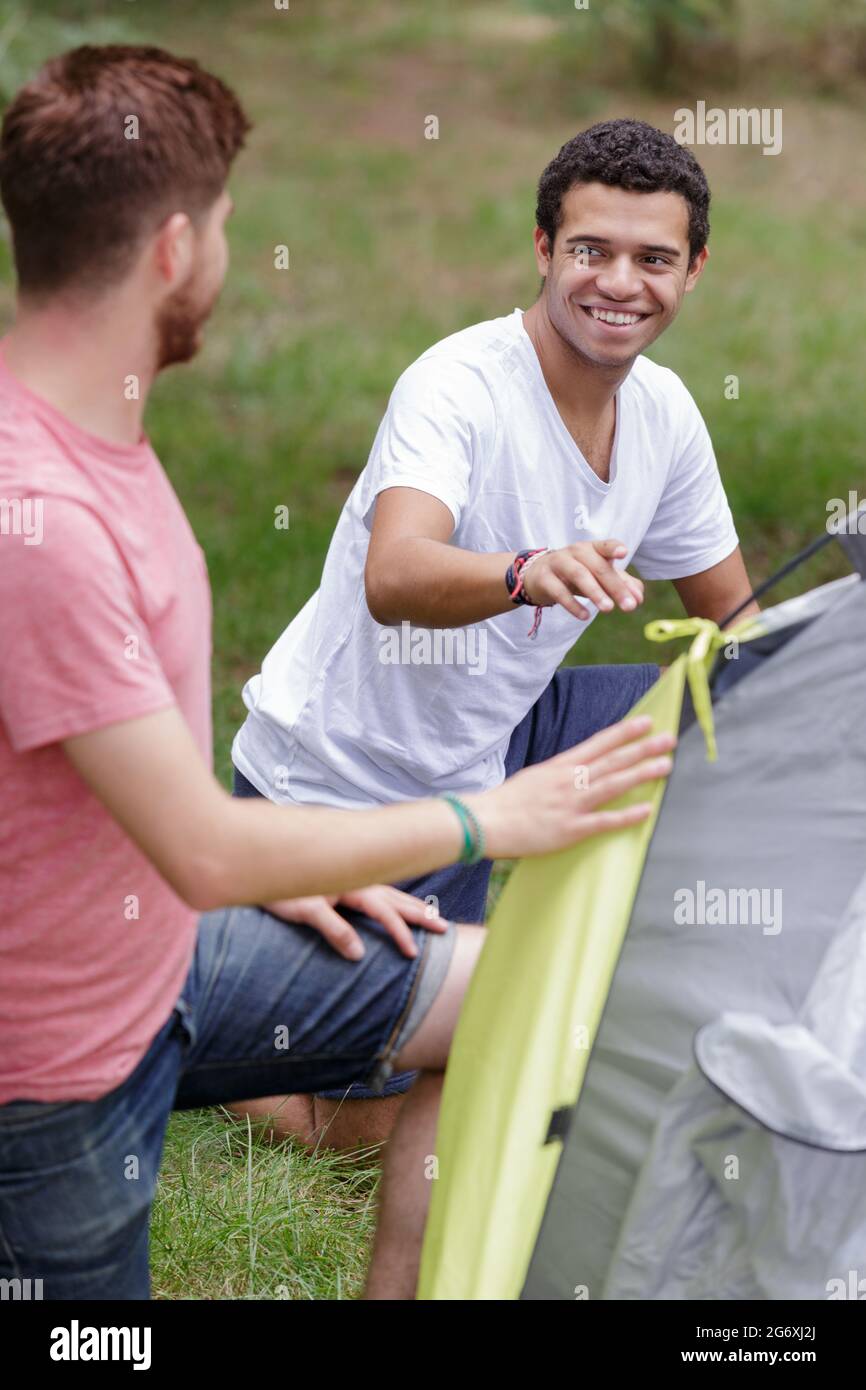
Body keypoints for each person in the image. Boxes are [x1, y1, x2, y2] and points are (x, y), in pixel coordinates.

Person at [0, 45, 676, 1301]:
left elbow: (126, 803)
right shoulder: (35, 518)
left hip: (172, 934)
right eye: (223, 229)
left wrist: (262, 881)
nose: (224, 255)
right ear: (169, 250)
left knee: (513, 991)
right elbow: (203, 846)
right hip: (54, 1058)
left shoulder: (97, 437)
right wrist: (487, 819)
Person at [230, 118, 758, 1143]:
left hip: (495, 738)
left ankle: (687, 997)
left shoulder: (663, 412)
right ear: (540, 250)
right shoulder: (455, 385)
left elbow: (732, 625)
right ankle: (228, 981)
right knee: (363, 1138)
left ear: (692, 270)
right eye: (588, 251)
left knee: (733, 707)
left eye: (651, 258)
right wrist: (524, 572)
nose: (619, 282)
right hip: (347, 790)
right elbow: (395, 575)